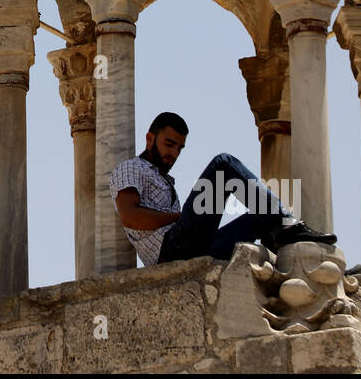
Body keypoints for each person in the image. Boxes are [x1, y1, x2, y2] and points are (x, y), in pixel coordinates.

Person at [109, 111, 336, 266]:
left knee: (260, 217)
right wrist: (181, 216)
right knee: (223, 164)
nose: (174, 153)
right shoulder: (132, 168)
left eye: (179, 148)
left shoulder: (166, 180)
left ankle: (309, 264)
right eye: (169, 144)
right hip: (169, 251)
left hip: (196, 249)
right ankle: (287, 223)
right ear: (150, 139)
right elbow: (130, 217)